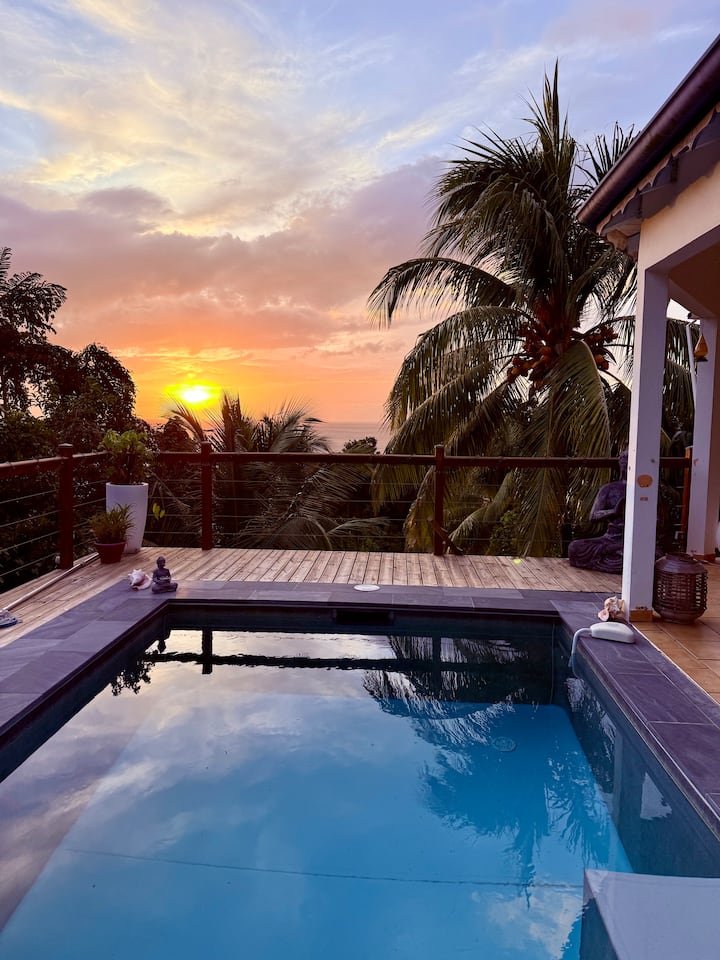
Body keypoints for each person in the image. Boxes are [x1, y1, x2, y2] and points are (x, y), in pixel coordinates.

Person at [568, 452, 628, 573]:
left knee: (651, 555)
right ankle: (619, 554)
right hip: (611, 538)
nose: (626, 466)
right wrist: (614, 512)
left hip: (635, 539)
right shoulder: (609, 489)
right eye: (624, 462)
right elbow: (593, 516)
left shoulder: (647, 490)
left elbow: (658, 520)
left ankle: (619, 555)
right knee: (574, 547)